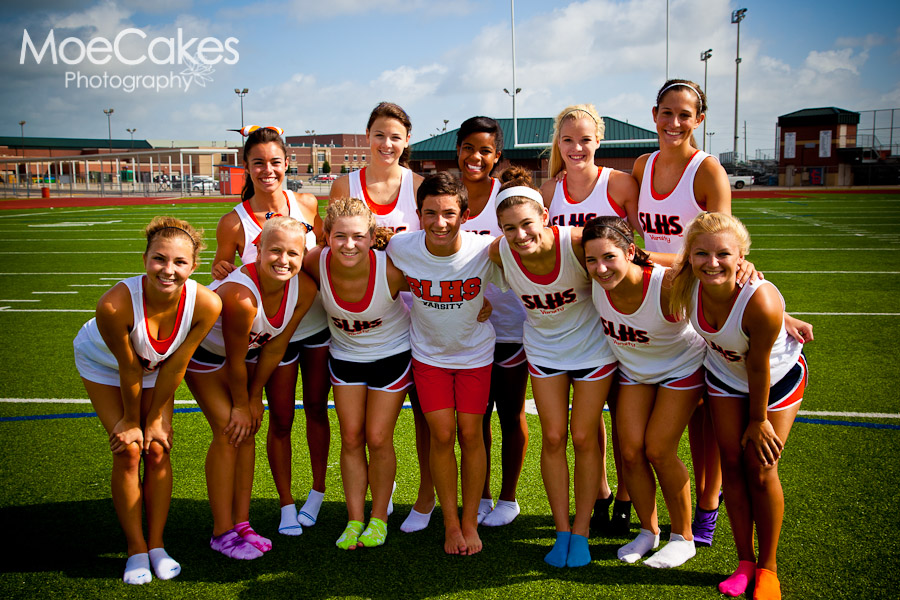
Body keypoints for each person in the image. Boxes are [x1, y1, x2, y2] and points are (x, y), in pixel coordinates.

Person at [631, 80, 814, 546]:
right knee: (677, 418)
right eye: (666, 113)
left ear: (700, 120)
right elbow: (634, 232)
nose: (674, 123)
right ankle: (669, 506)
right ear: (654, 115)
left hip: (703, 291)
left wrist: (776, 313)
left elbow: (724, 240)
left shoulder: (707, 169)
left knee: (709, 419)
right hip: (665, 300)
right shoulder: (641, 165)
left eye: (685, 115)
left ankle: (708, 507)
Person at [73, 217, 221, 584]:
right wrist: (131, 420)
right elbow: (129, 369)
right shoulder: (113, 305)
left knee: (157, 447)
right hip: (104, 365)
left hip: (159, 368)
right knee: (128, 450)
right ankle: (136, 548)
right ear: (144, 260)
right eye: (159, 259)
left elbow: (177, 365)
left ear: (194, 265)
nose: (168, 270)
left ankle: (157, 544)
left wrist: (154, 419)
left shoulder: (207, 303)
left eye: (179, 262)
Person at [669, 212, 808, 599]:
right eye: (701, 254)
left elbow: (759, 365)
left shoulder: (759, 299)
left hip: (775, 379)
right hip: (725, 376)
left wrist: (758, 420)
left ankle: (769, 568)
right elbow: (636, 259)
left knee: (761, 468)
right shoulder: (686, 279)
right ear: (689, 256)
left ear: (741, 256)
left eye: (724, 254)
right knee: (730, 462)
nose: (712, 262)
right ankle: (745, 561)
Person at [489, 168, 617, 568]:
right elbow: (447, 262)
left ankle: (582, 532)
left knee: (583, 436)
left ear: (546, 216)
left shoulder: (577, 243)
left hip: (593, 351)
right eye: (509, 228)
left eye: (527, 224)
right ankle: (562, 531)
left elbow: (639, 264)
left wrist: (745, 273)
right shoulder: (498, 252)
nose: (520, 235)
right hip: (544, 353)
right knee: (553, 436)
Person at [212, 125, 331, 535]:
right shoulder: (234, 222)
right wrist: (219, 269)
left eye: (275, 162)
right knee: (280, 419)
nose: (268, 170)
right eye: (258, 162)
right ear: (246, 166)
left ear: (287, 164)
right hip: (266, 334)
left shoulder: (308, 204)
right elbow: (222, 268)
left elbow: (322, 256)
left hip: (311, 320)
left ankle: (317, 492)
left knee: (317, 408)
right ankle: (285, 502)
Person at [386, 172, 504, 556]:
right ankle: (450, 524)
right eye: (431, 213)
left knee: (471, 434)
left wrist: (482, 302)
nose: (440, 222)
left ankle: (470, 521)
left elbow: (527, 272)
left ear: (466, 215)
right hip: (428, 356)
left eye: (450, 213)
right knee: (441, 435)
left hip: (474, 356)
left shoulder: (484, 250)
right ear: (418, 214)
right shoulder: (401, 247)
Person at [186, 217, 316, 559]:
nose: (283, 260)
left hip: (241, 360)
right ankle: (221, 532)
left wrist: (256, 396)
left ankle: (241, 524)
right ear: (256, 251)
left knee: (246, 434)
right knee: (230, 431)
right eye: (274, 250)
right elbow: (233, 358)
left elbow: (274, 346)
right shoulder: (242, 296)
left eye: (293, 253)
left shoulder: (305, 288)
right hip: (201, 356)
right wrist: (243, 404)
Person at [331, 102, 432, 533]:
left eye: (395, 136)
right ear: (367, 136)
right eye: (379, 134)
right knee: (363, 432)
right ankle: (375, 504)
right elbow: (331, 245)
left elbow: (433, 249)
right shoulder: (345, 185)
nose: (387, 143)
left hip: (417, 318)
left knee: (426, 421)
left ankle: (425, 501)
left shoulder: (419, 185)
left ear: (407, 140)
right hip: (362, 321)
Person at [583, 216, 706, 568]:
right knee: (631, 451)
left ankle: (683, 537)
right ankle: (647, 532)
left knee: (658, 449)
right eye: (592, 260)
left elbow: (723, 286)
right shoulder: (592, 280)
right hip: (635, 373)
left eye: (609, 257)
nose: (601, 268)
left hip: (681, 369)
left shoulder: (666, 285)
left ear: (631, 252)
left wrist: (782, 316)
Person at [540, 104, 641, 534]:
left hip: (617, 311)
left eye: (584, 139)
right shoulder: (548, 191)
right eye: (568, 140)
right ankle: (599, 491)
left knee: (622, 414)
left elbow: (643, 246)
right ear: (557, 145)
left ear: (598, 140)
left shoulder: (619, 183)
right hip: (574, 317)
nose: (576, 147)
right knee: (590, 415)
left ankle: (626, 495)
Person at [304, 198, 412, 550]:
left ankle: (379, 517)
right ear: (326, 235)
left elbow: (434, 287)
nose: (349, 245)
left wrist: (480, 303)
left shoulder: (391, 270)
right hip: (346, 358)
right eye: (340, 237)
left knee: (378, 438)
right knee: (350, 438)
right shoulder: (313, 262)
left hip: (391, 357)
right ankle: (354, 520)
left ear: (371, 236)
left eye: (358, 237)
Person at [456, 116, 528, 527]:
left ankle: (508, 498)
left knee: (510, 412)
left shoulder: (511, 196)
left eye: (485, 150)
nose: (475, 157)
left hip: (511, 325)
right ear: (459, 150)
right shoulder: (451, 197)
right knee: (475, 415)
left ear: (497, 156)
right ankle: (481, 493)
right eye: (468, 148)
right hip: (466, 329)